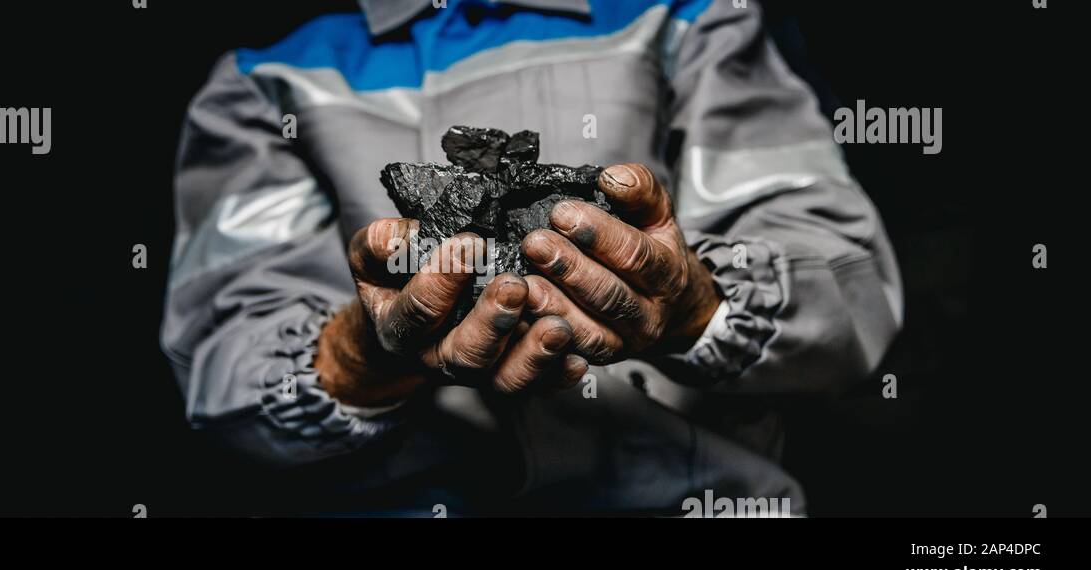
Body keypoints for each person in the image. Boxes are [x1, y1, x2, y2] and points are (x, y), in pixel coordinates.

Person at [161, 0, 902, 515]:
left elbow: (848, 285)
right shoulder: (262, 79)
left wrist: (691, 304)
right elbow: (224, 370)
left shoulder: (692, 17)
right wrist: (370, 351)